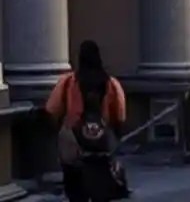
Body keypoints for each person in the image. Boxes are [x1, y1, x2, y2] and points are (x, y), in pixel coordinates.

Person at [46, 40, 129, 202]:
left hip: (74, 144)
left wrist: (61, 129)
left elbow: (52, 109)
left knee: (75, 189)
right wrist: (114, 136)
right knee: (103, 189)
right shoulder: (111, 83)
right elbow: (120, 115)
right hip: (102, 144)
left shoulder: (67, 83)